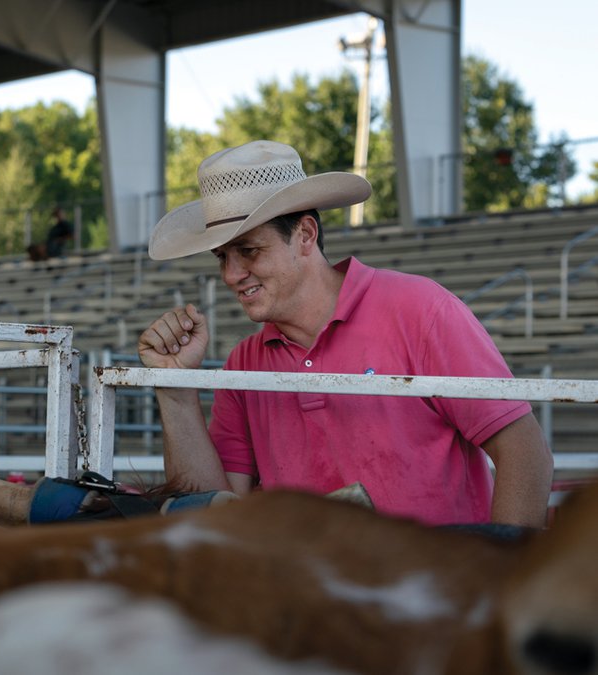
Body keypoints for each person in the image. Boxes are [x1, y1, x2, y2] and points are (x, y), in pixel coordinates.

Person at [137, 140, 553, 528]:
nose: (230, 275)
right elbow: (213, 509)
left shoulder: (420, 309)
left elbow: (523, 453)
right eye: (223, 257)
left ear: (304, 235)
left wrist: (496, 581)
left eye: (249, 251)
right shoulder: (245, 361)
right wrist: (174, 389)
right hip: (312, 596)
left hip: (432, 593)